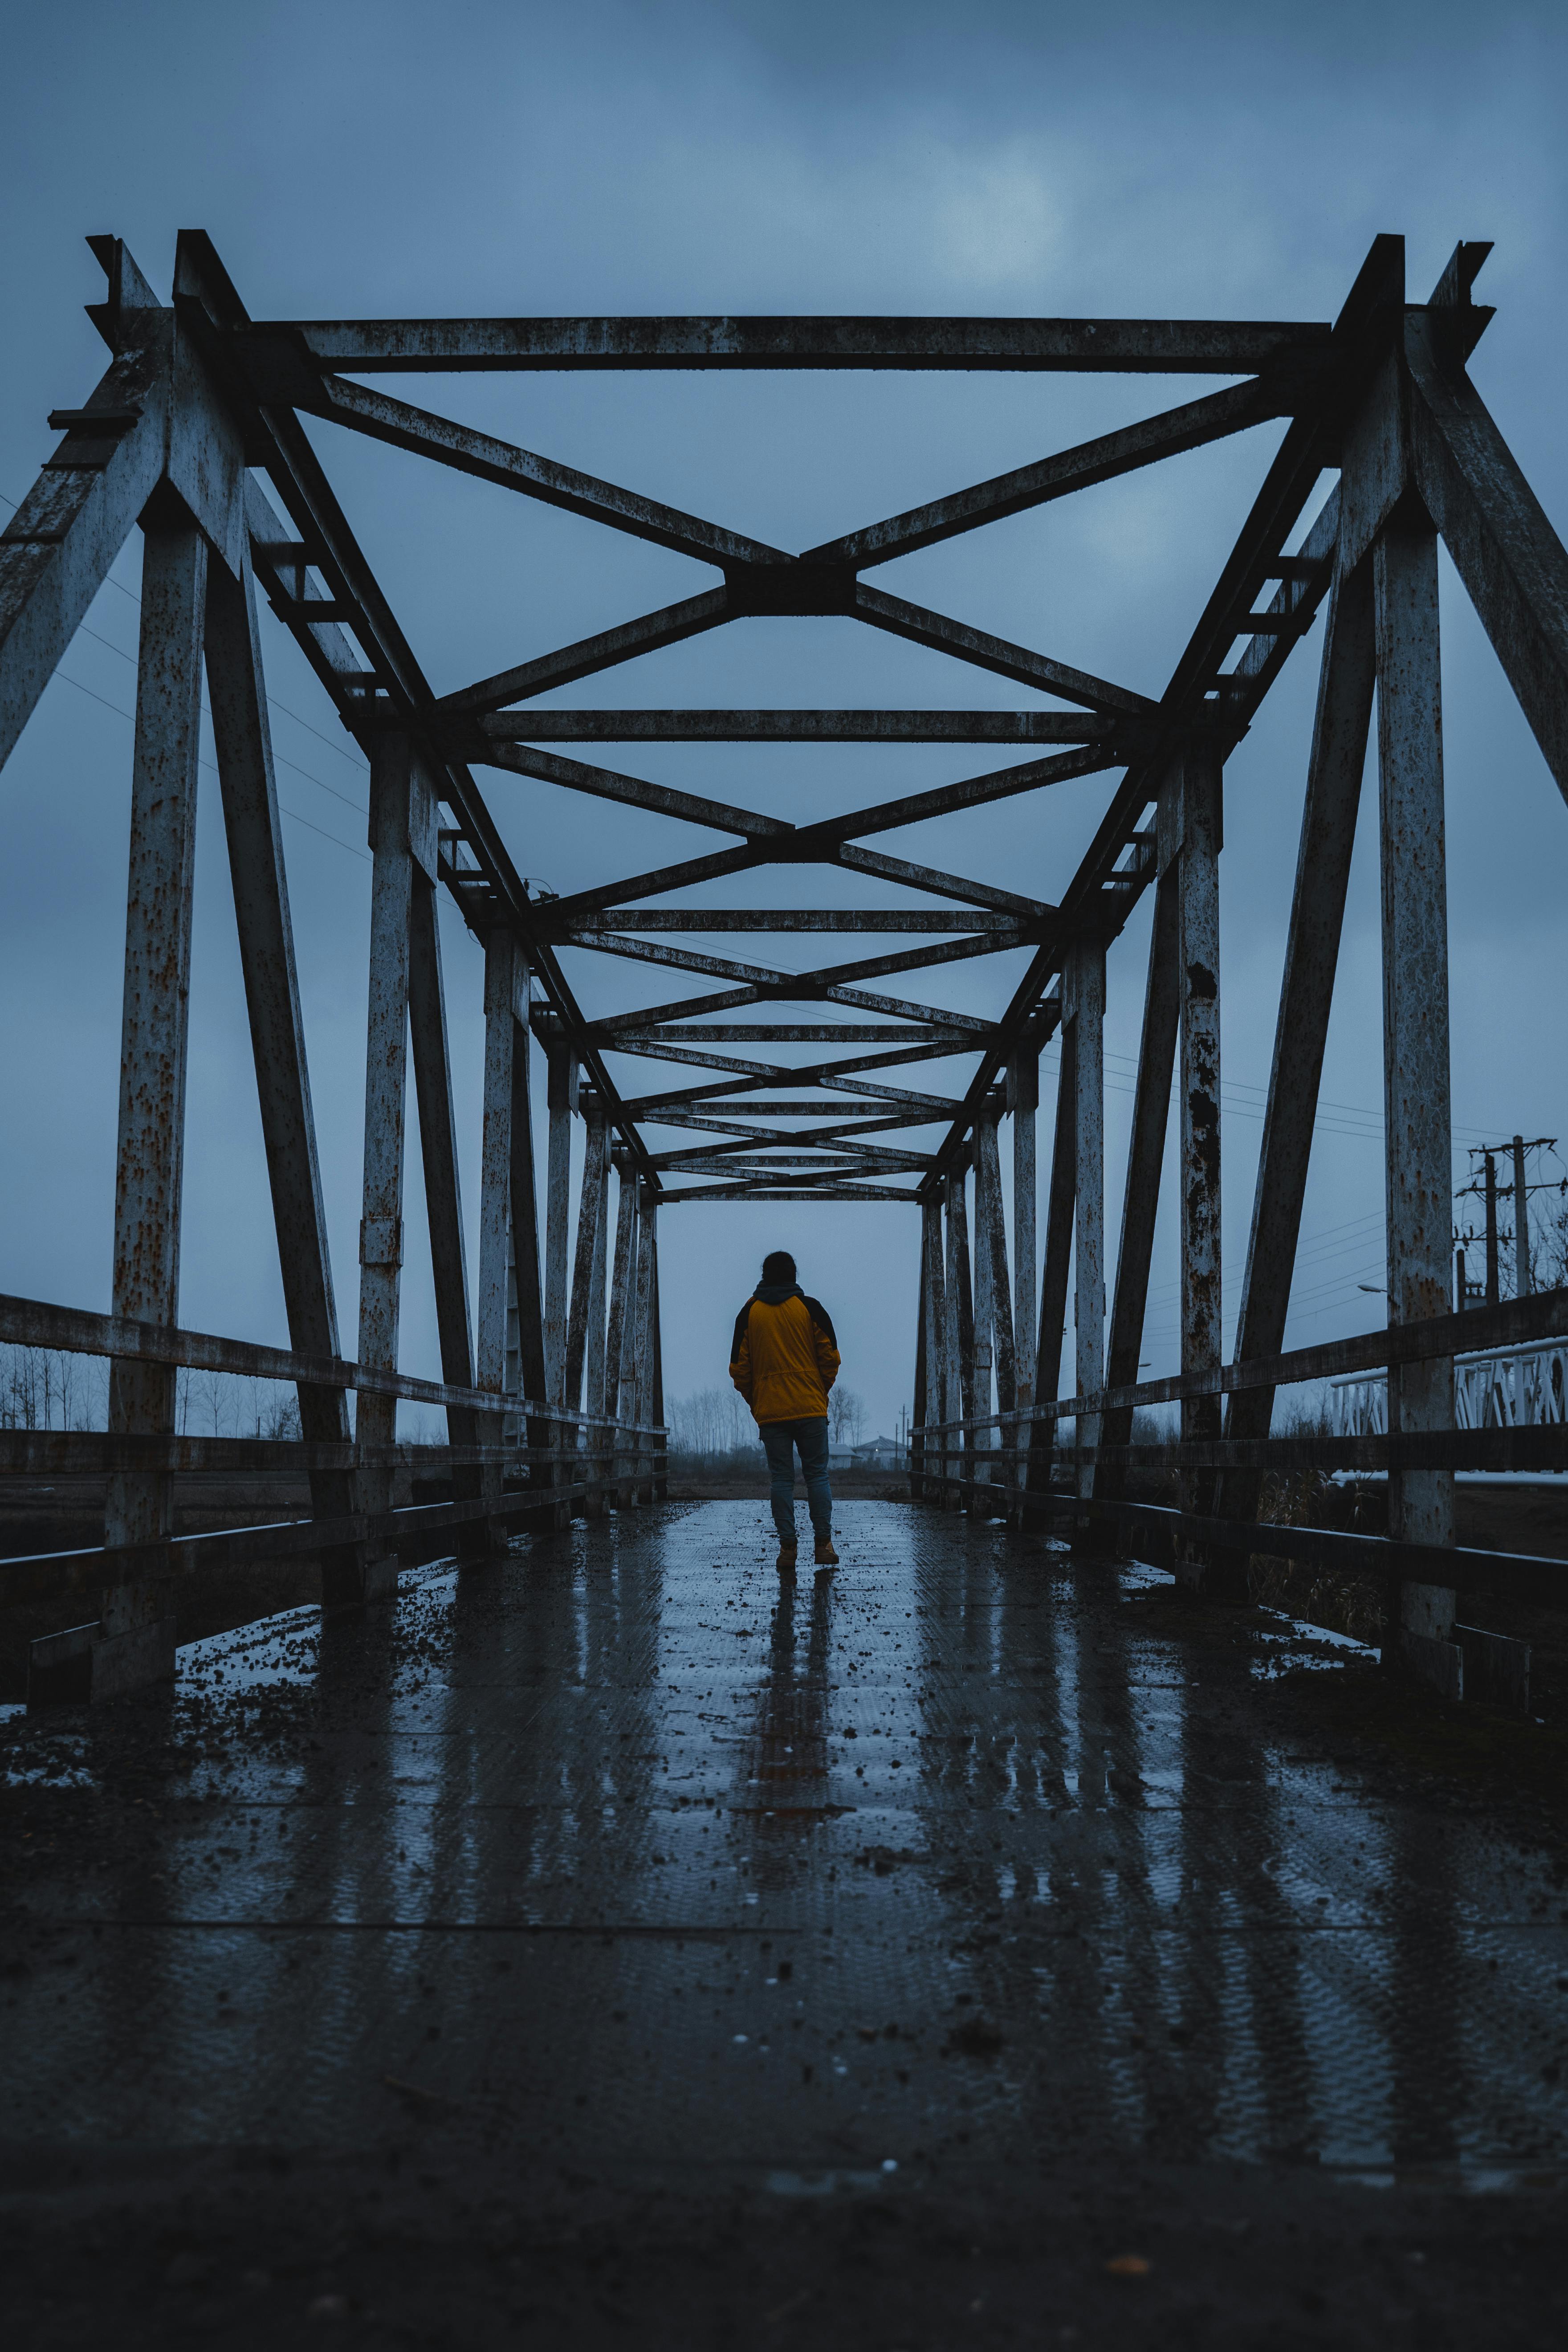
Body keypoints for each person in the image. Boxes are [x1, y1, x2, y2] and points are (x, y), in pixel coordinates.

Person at [729, 1250, 841, 1574]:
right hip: (810, 1409)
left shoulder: (749, 1313)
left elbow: (739, 1368)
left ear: (764, 1275)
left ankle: (787, 1550)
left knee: (781, 1479)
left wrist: (758, 1400)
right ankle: (822, 1546)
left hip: (772, 1412)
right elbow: (830, 1357)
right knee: (817, 1475)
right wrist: (819, 1392)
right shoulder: (809, 1308)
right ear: (794, 1275)